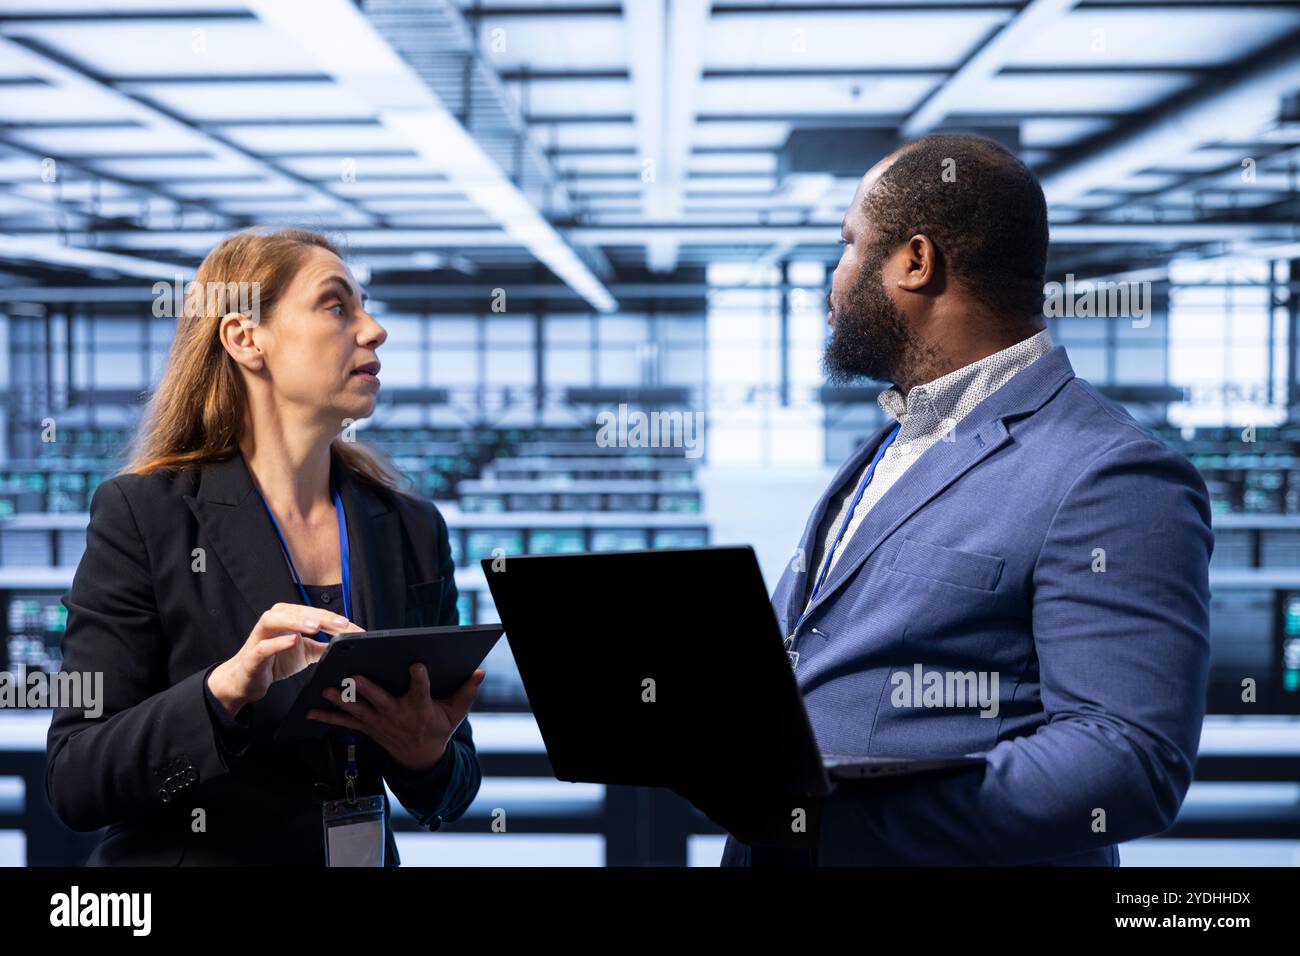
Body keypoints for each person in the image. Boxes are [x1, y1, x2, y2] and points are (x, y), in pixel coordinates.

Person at [710, 133, 1213, 866]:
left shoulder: (1111, 475)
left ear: (915, 261)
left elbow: (1128, 760)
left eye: (848, 245)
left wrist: (836, 816)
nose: (832, 279)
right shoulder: (897, 439)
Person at [45, 227, 484, 865]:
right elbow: (77, 784)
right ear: (246, 339)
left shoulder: (412, 528)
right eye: (338, 306)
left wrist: (428, 759)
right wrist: (222, 694)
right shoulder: (144, 516)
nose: (374, 330)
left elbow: (452, 788)